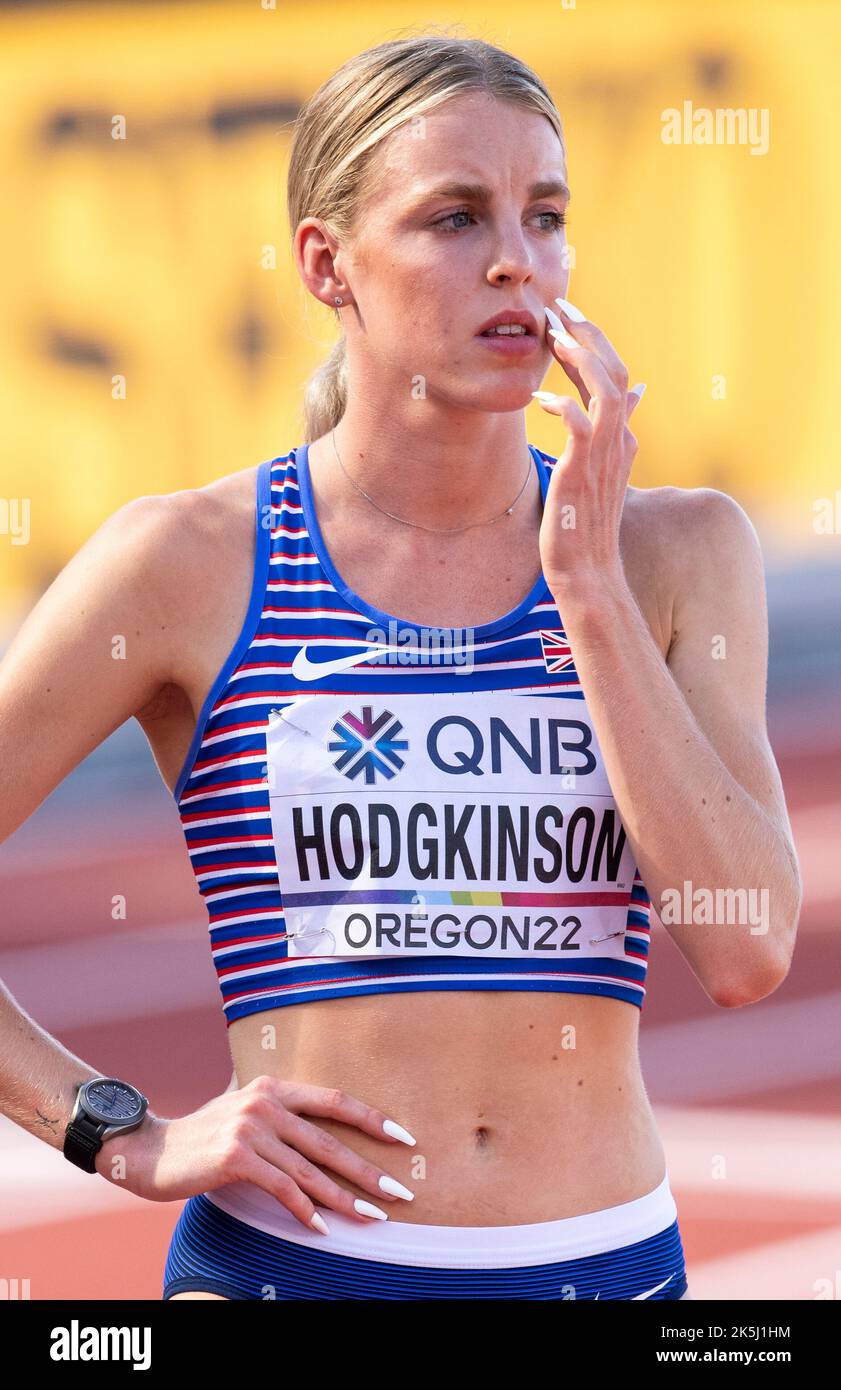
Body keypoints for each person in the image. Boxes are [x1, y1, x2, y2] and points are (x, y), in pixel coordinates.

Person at [0, 32, 801, 1302]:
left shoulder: (676, 554)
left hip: (604, 1270)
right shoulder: (186, 560)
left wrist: (586, 591)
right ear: (327, 265)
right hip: (289, 1274)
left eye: (545, 216)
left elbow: (748, 949)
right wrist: (116, 1130)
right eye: (452, 217)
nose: (514, 261)